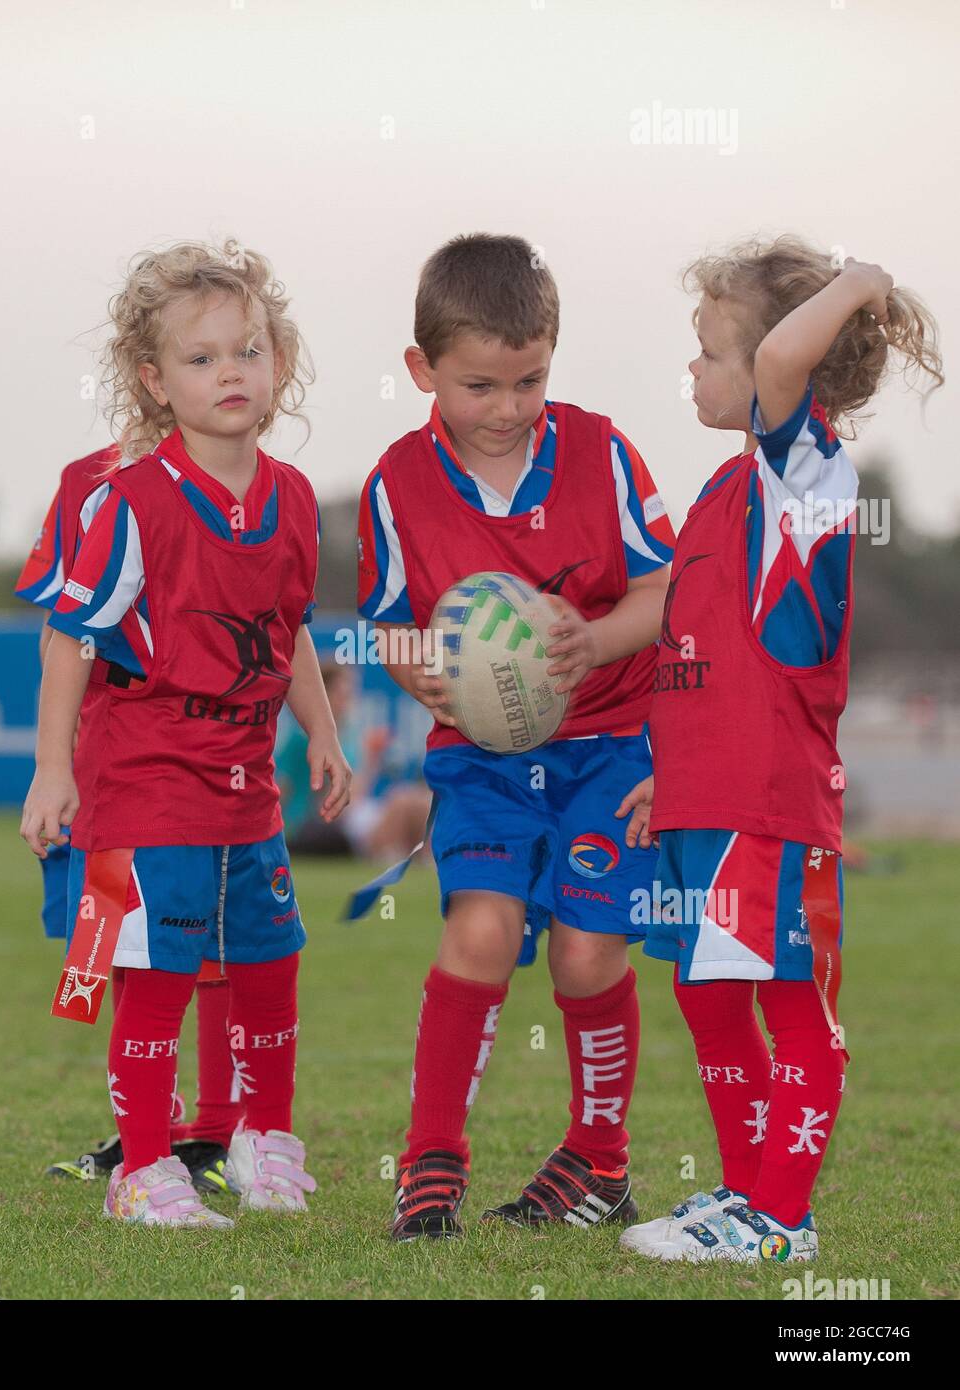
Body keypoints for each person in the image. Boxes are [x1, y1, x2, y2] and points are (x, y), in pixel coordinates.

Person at [615, 239, 942, 1263]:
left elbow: (775, 371)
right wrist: (663, 774)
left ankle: (781, 1221)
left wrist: (856, 283)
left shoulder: (803, 469)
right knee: (705, 989)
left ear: (774, 364)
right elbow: (697, 647)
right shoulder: (720, 493)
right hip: (701, 800)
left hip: (767, 801)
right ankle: (741, 1193)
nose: (694, 373)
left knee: (793, 1004)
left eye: (710, 353)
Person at [21, 240, 352, 1228]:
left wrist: (323, 736)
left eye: (246, 350)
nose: (229, 373)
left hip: (246, 785)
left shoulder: (293, 499)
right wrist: (51, 771)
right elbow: (70, 636)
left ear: (278, 360)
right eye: (200, 359)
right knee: (155, 968)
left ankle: (264, 1142)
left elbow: (285, 627)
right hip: (145, 776)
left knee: (267, 958)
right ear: (154, 381)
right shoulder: (130, 502)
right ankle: (145, 1171)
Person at [357, 233, 675, 1241]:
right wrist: (421, 667)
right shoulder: (395, 482)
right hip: (481, 759)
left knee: (586, 952)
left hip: (609, 745)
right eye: (478, 385)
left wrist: (592, 639)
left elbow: (663, 590)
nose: (505, 407)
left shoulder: (602, 450)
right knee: (481, 931)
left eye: (528, 379)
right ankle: (431, 1162)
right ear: (421, 372)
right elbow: (387, 624)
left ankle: (598, 1161)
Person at [15, 448, 246, 1196]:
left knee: (213, 943)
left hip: (205, 766)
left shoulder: (244, 476)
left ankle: (214, 1130)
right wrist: (55, 766)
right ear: (147, 367)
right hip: (109, 767)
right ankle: (149, 1125)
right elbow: (63, 626)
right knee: (109, 948)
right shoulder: (90, 479)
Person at [277, 662, 432, 861]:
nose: (348, 701)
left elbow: (355, 794)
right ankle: (395, 857)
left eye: (350, 694)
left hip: (349, 814)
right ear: (324, 696)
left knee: (418, 802)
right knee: (402, 802)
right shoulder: (302, 739)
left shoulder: (349, 738)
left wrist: (372, 759)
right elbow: (301, 794)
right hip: (323, 823)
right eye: (342, 694)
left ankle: (425, 861)